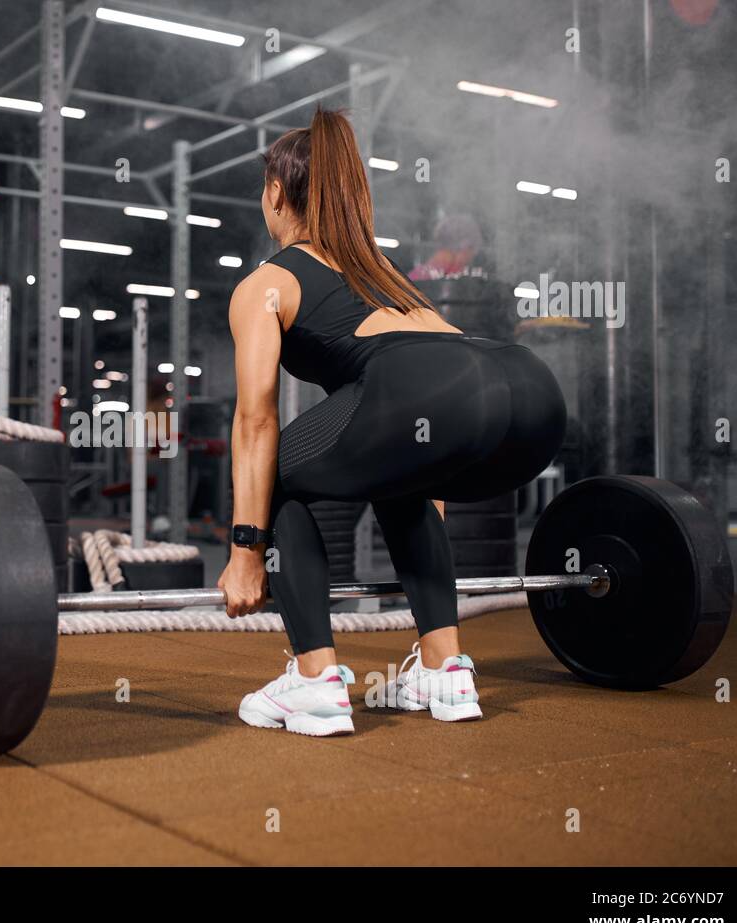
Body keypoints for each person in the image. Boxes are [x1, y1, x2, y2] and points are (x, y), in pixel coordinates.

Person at [220, 108, 567, 737]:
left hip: (421, 397)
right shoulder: (390, 279)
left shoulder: (265, 284)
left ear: (275, 193)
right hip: (529, 395)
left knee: (275, 473)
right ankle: (445, 670)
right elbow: (423, 425)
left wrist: (246, 550)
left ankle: (315, 681)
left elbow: (254, 422)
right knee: (401, 481)